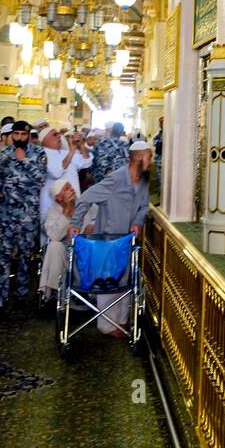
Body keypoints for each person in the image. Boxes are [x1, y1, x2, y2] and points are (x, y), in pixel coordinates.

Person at [70, 141, 151, 334]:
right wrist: (75, 223)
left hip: (127, 240)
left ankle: (121, 322)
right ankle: (107, 326)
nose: (151, 161)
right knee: (108, 282)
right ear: (138, 158)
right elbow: (85, 198)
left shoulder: (144, 180)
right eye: (148, 156)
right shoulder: (115, 180)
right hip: (108, 240)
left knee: (124, 282)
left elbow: (144, 206)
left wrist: (138, 222)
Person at [0, 120, 46, 313]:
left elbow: (41, 179)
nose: (18, 138)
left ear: (28, 135)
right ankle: (0, 299)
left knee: (25, 257)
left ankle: (21, 296)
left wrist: (24, 160)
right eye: (15, 134)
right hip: (7, 213)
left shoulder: (39, 154)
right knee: (3, 257)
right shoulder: (5, 154)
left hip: (28, 215)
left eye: (22, 135)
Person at [39, 180, 77, 304]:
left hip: (86, 252)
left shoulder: (85, 204)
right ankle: (55, 294)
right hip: (65, 255)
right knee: (54, 246)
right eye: (67, 188)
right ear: (59, 198)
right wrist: (66, 213)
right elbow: (54, 236)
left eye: (71, 187)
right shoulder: (53, 211)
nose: (72, 189)